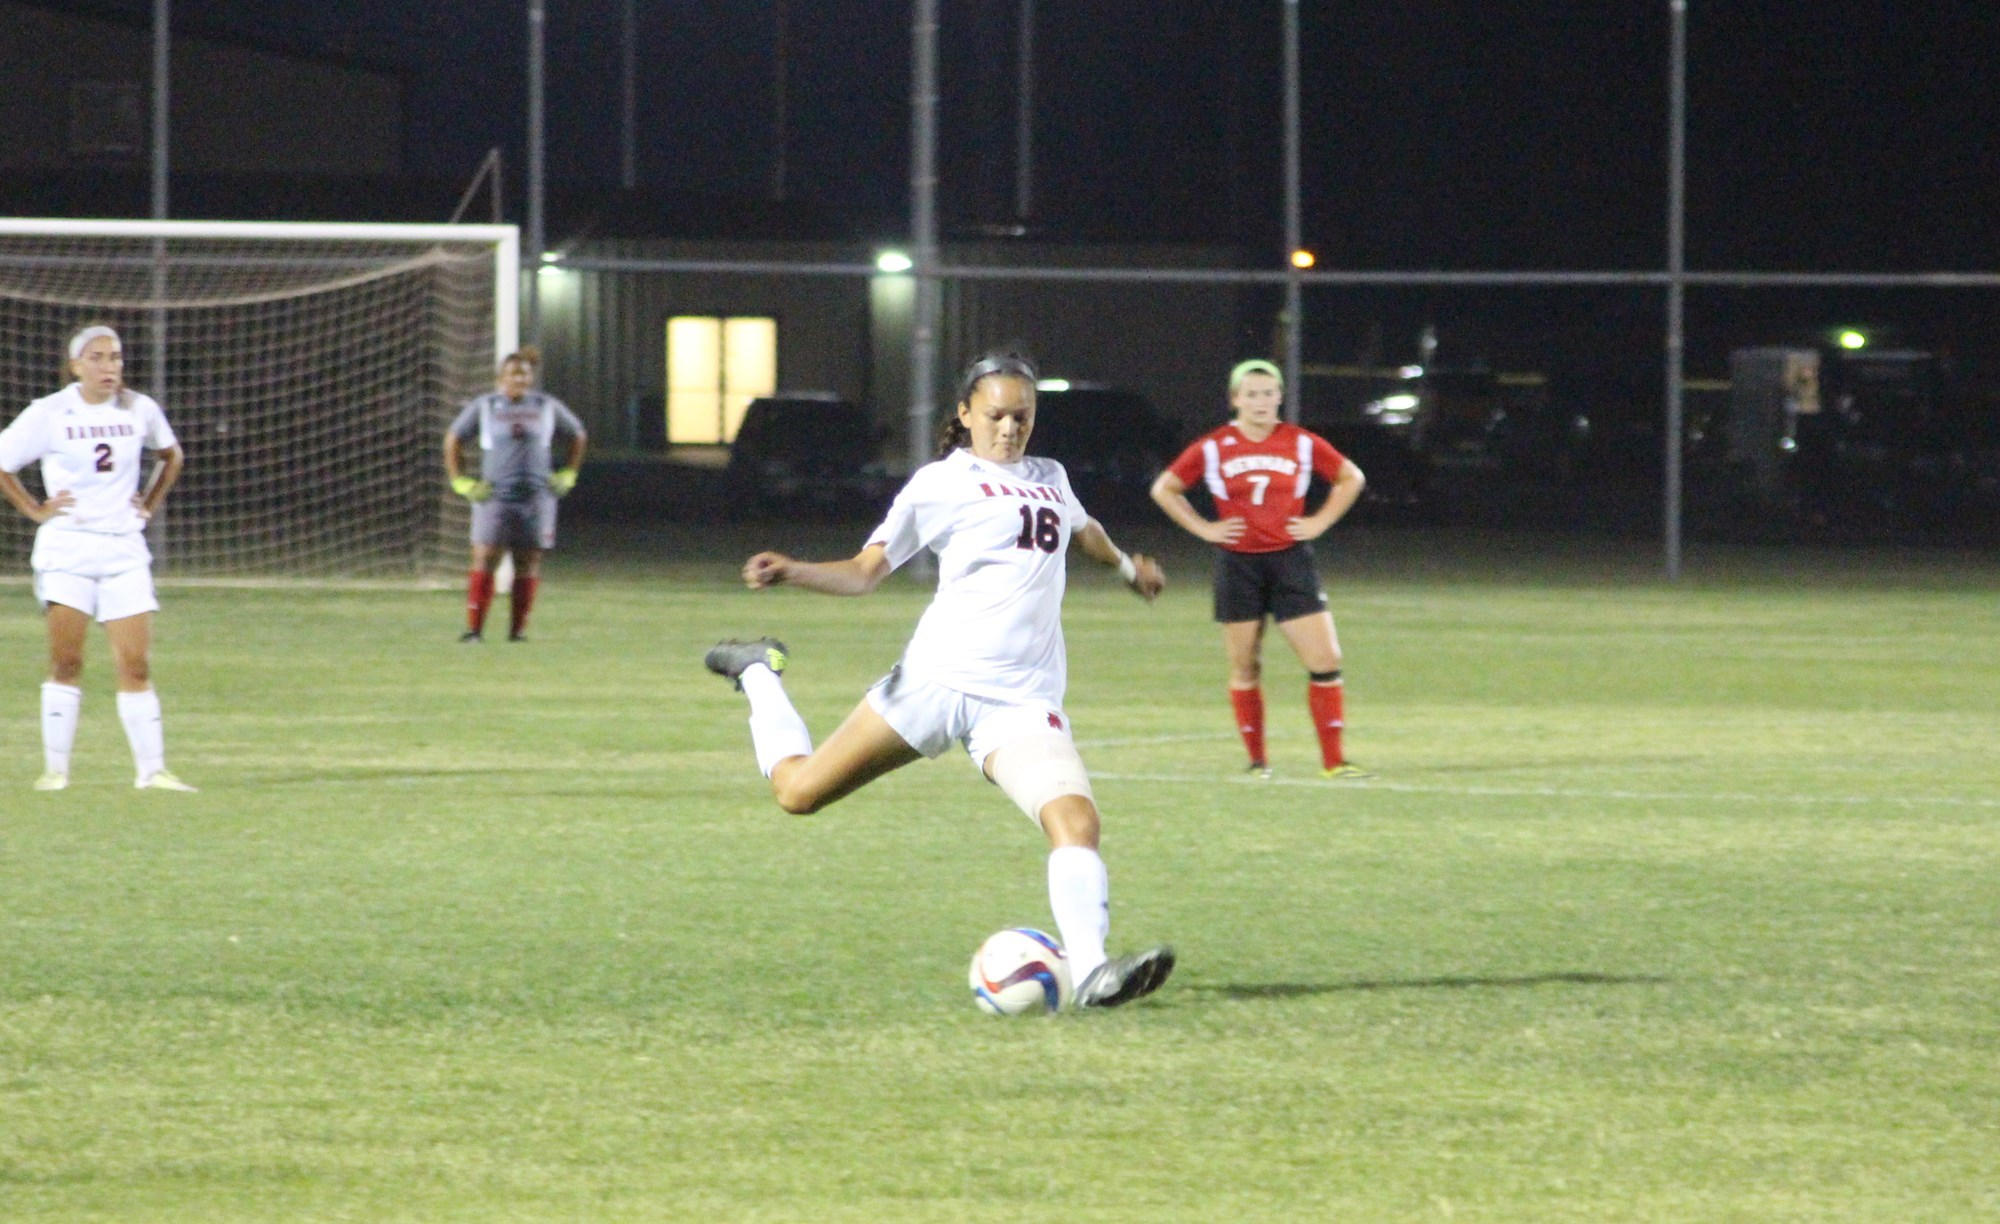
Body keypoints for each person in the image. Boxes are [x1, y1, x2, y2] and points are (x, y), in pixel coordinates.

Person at [704, 351, 1176, 1009]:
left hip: (1020, 700)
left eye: (1022, 416)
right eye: (995, 416)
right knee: (799, 794)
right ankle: (758, 672)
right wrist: (795, 570)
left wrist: (1128, 569)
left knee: (1076, 820)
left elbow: (1084, 532)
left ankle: (1094, 970)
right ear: (964, 414)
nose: (1009, 429)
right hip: (934, 682)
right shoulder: (940, 483)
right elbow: (867, 571)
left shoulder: (1051, 477)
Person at [1149, 358, 1371, 780]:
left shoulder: (1301, 443)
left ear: (1279, 398)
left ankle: (1334, 762)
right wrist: (1205, 529)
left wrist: (1319, 522)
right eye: (1251, 394)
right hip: (1238, 564)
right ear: (1235, 400)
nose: (1261, 402)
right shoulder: (1214, 447)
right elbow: (1165, 488)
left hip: (1291, 560)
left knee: (1326, 658)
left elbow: (1350, 478)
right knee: (1246, 665)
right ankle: (1256, 763)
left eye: (1268, 393)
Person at [0, 324, 195, 791]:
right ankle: (56, 771)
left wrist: (147, 504)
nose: (109, 366)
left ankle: (152, 771)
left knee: (136, 664)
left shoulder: (138, 408)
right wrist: (34, 509)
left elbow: (172, 456)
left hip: (124, 549)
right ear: (75, 366)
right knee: (66, 662)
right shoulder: (49, 413)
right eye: (98, 357)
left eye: (116, 357)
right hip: (68, 549)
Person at [443, 346, 586, 642]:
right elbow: (453, 438)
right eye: (513, 374)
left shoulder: (545, 406)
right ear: (500, 378)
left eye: (524, 374)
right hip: (495, 497)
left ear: (531, 378)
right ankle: (474, 630)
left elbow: (578, 434)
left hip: (536, 498)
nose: (519, 379)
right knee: (485, 558)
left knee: (527, 562)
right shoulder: (485, 406)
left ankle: (517, 632)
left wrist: (569, 472)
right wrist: (461, 480)